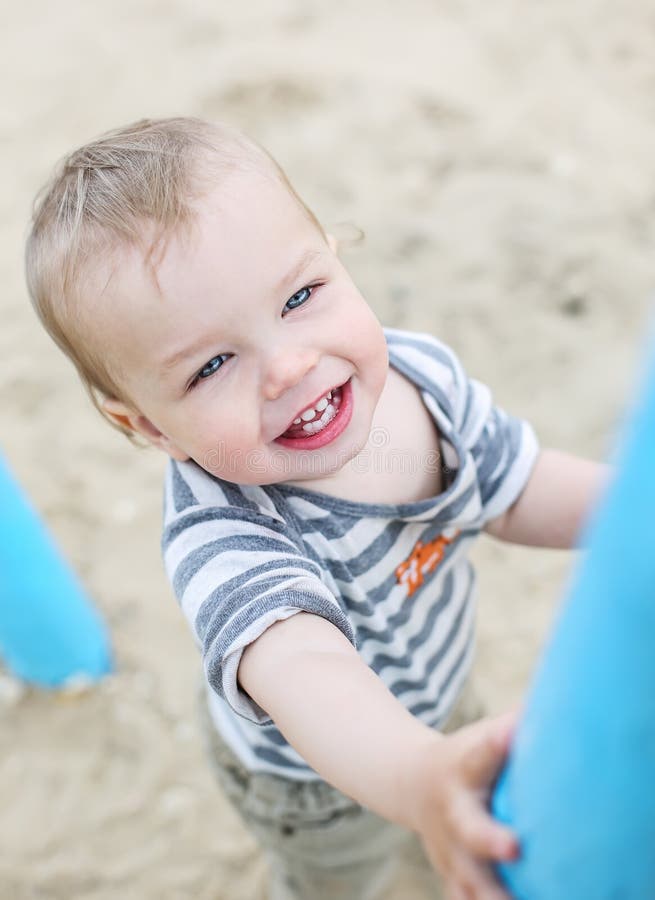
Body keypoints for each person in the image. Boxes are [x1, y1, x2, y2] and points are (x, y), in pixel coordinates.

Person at [25, 117, 605, 899]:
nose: (289, 365)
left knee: (449, 824)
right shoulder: (228, 535)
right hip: (315, 783)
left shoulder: (418, 379)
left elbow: (516, 488)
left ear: (335, 254)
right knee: (341, 883)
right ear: (148, 425)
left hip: (439, 680)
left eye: (299, 296)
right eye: (213, 365)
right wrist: (415, 772)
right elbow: (306, 669)